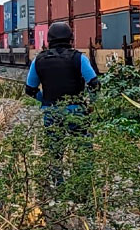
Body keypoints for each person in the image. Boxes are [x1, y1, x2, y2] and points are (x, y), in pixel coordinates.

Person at [25, 22, 100, 185]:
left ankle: (58, 183)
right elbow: (94, 83)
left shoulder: (39, 60)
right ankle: (84, 183)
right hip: (77, 111)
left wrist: (44, 99)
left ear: (48, 40)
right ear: (70, 39)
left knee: (55, 149)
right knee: (83, 148)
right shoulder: (79, 58)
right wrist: (90, 103)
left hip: (51, 112)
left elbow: (30, 89)